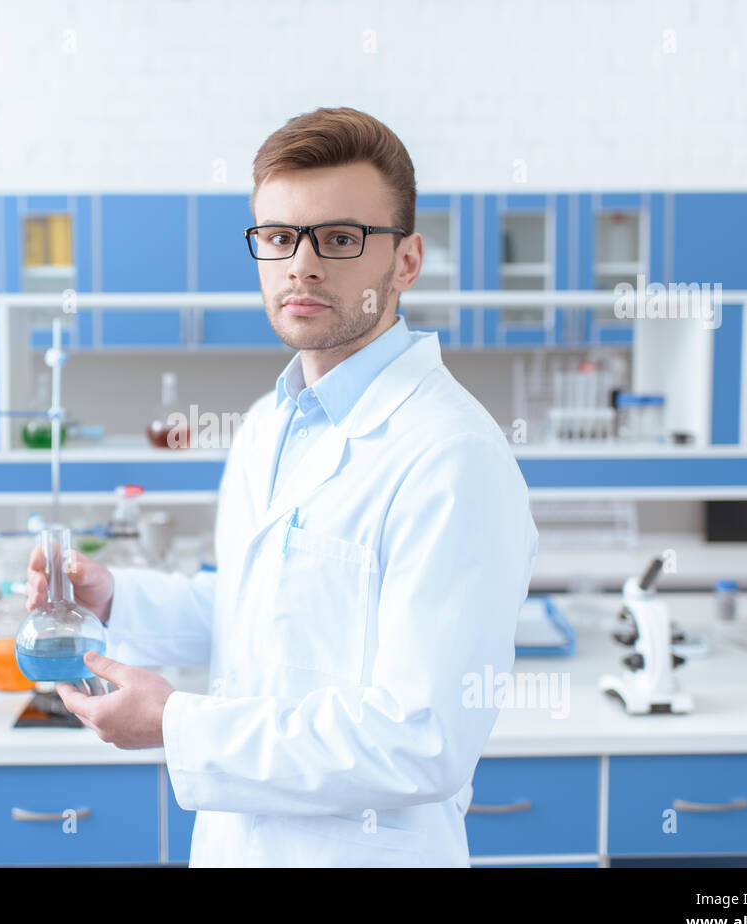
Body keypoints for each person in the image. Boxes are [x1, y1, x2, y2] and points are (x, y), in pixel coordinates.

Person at [27, 106, 538, 867]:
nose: (302, 264)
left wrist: (176, 725)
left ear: (406, 261)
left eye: (339, 238)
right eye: (278, 238)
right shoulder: (271, 423)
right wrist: (114, 597)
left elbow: (421, 737)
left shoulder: (453, 455)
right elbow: (261, 614)